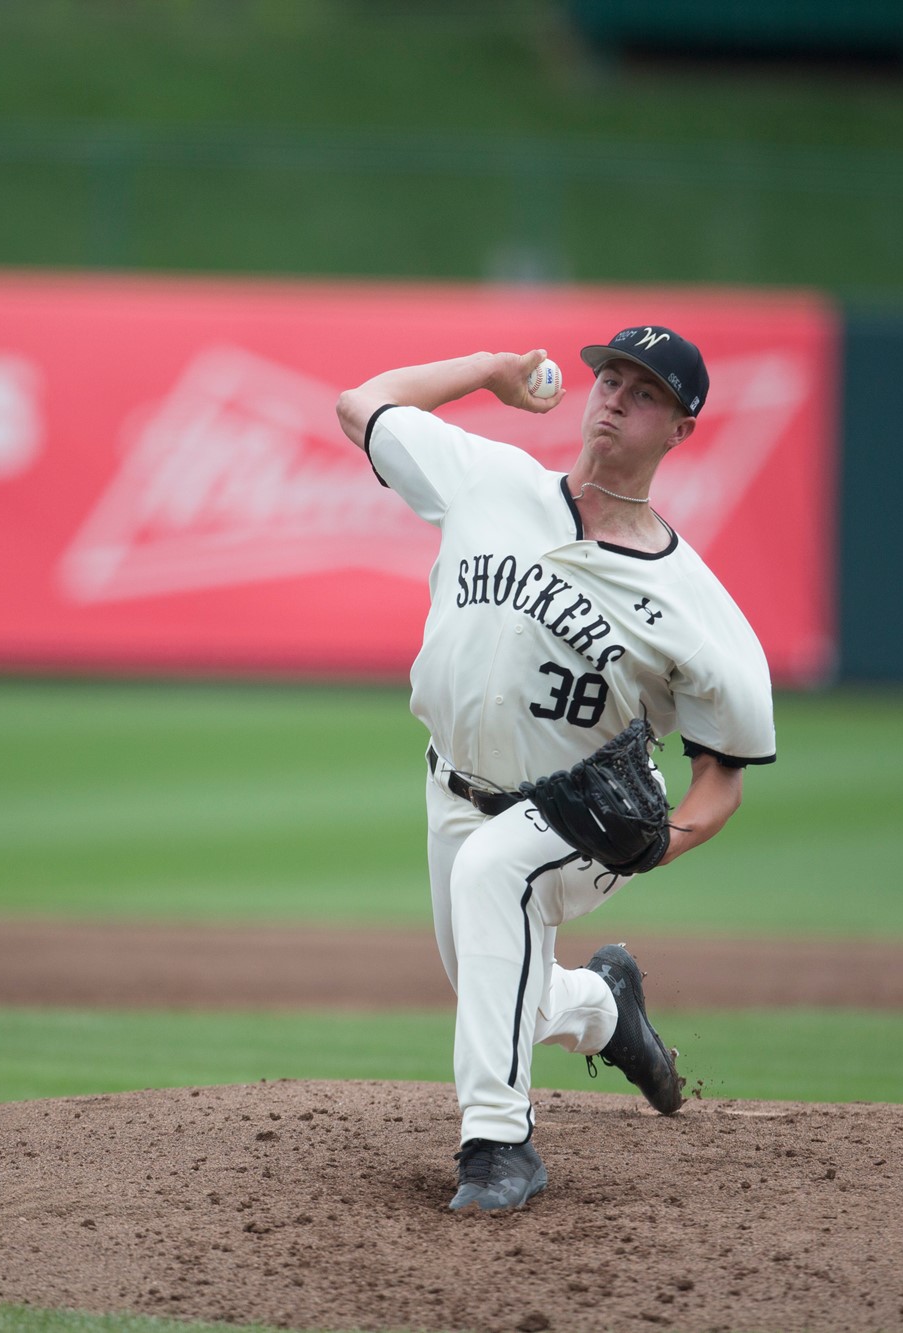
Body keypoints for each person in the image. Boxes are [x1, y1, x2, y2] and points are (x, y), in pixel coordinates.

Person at [334, 325, 776, 1213]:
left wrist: (662, 843)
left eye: (642, 391)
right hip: (452, 791)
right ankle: (607, 1008)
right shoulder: (489, 480)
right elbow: (361, 405)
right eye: (610, 378)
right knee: (503, 997)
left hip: (576, 816)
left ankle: (498, 1144)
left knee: (500, 874)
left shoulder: (697, 608)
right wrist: (488, 372)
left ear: (680, 428)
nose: (614, 396)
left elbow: (724, 773)